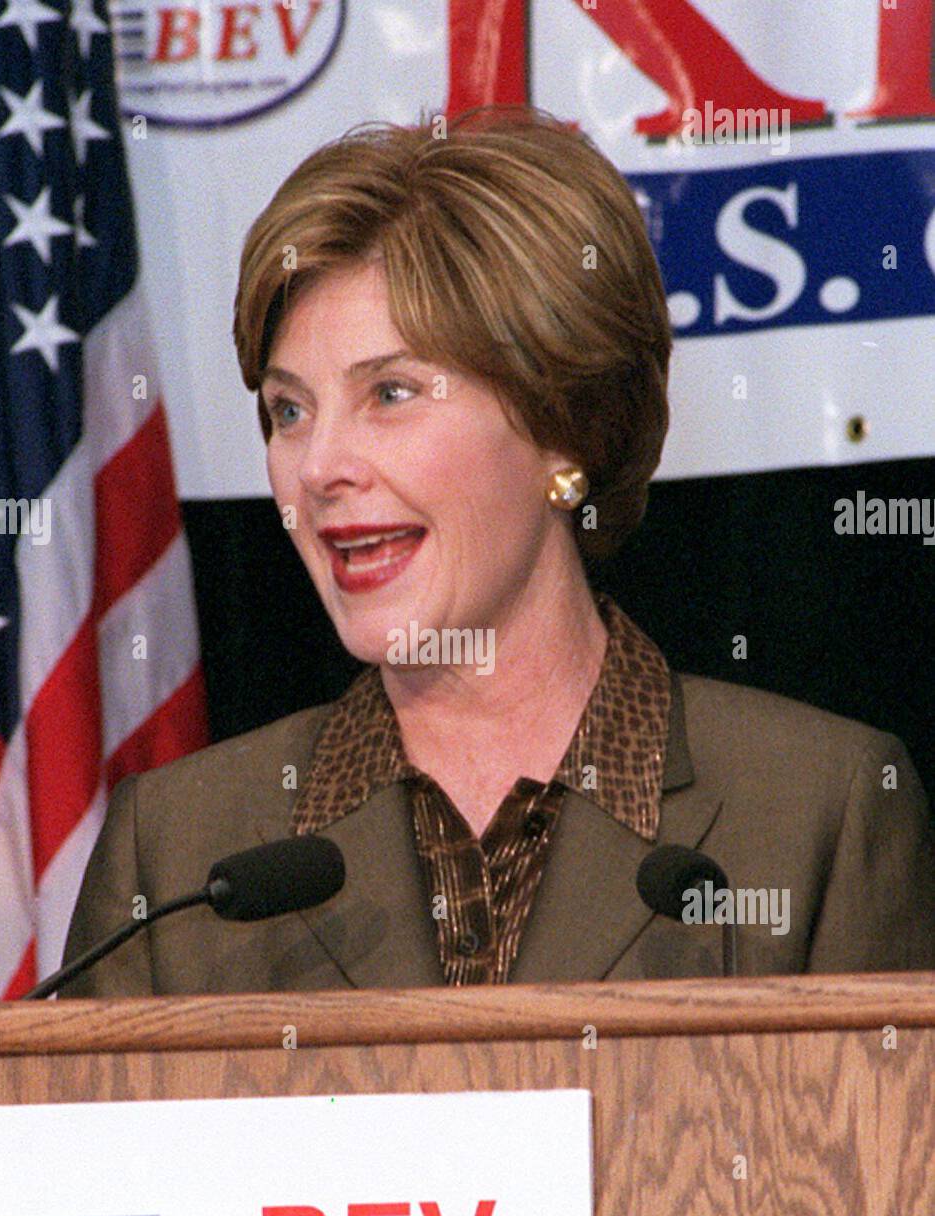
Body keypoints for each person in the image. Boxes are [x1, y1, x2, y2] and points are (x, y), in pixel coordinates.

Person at [60, 106, 935, 996]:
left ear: (564, 428)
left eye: (390, 394)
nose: (318, 467)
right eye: (289, 411)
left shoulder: (812, 812)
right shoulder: (176, 854)